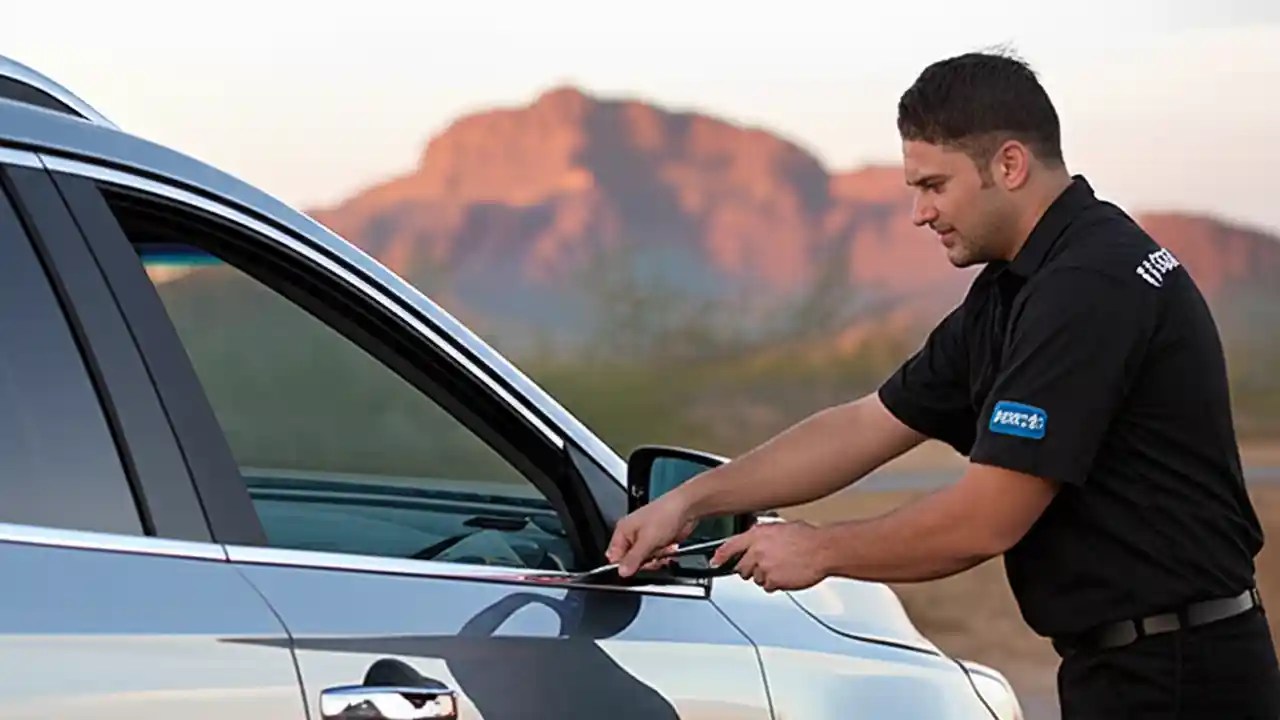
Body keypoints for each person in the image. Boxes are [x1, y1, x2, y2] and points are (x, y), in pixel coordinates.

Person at [605, 50, 1280, 718]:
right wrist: (690, 499)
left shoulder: (1087, 286)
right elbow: (867, 424)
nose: (919, 213)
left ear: (1009, 165)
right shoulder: (1017, 288)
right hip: (1128, 668)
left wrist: (818, 550)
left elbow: (985, 521)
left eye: (933, 185)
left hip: (1181, 678)